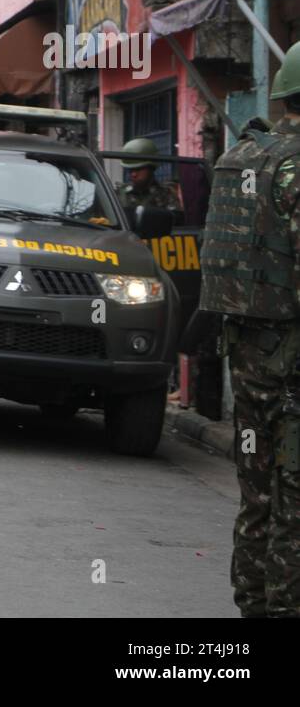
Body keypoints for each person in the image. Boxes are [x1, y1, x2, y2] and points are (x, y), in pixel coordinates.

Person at [199, 41, 300, 618]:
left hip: (249, 362)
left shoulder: (244, 157)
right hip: (292, 366)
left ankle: (252, 606)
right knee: (294, 505)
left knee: (256, 496)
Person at [116, 137, 182, 213]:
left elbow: (175, 221)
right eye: (131, 170)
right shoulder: (119, 194)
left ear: (151, 168)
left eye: (138, 169)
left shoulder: (165, 195)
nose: (133, 174)